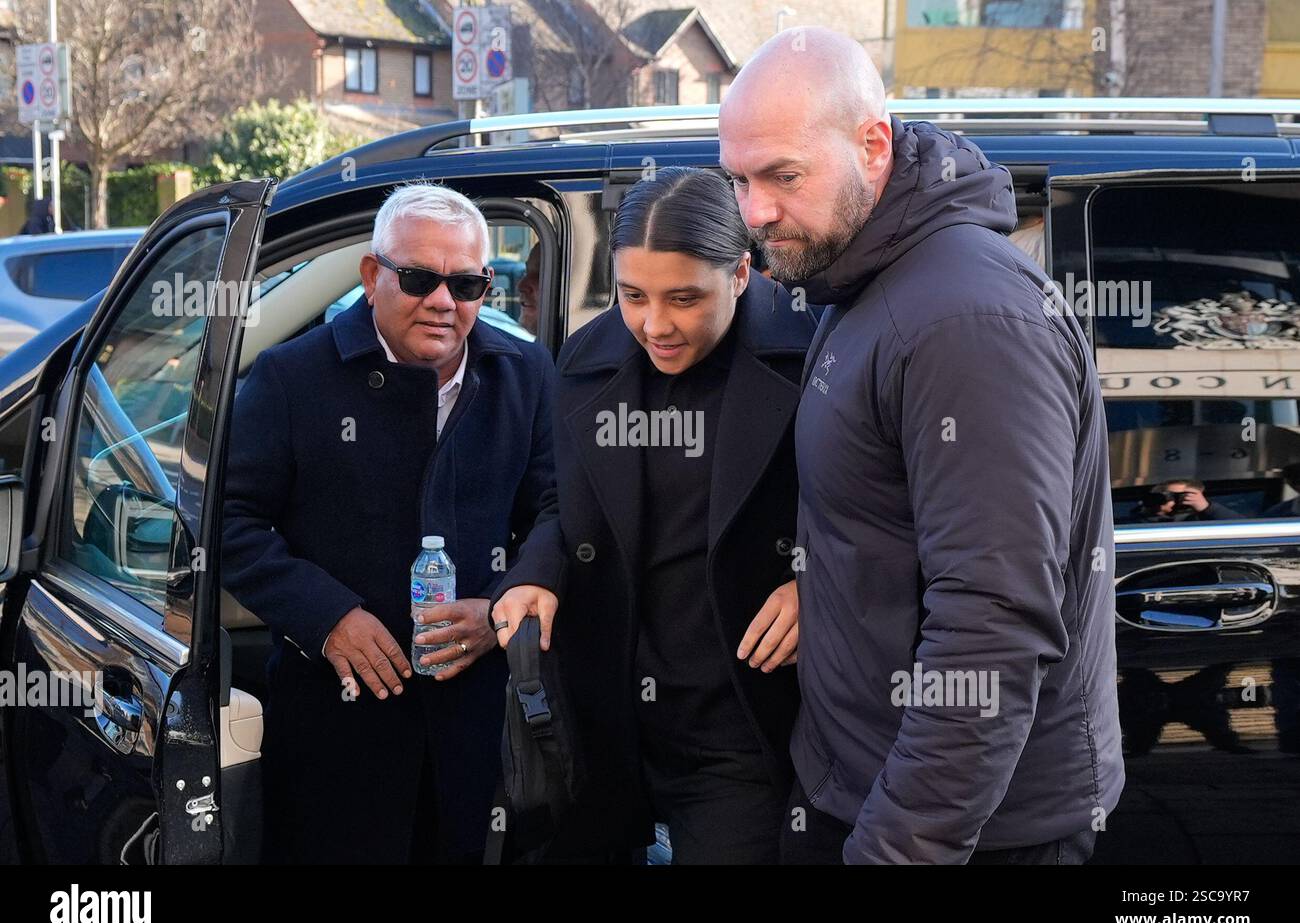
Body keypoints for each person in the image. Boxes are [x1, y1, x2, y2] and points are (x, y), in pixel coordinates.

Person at [718, 27, 1124, 864]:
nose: (753, 211)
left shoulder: (963, 321)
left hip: (967, 835)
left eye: (782, 175)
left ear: (873, 144)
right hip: (868, 789)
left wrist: (898, 849)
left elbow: (990, 627)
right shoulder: (868, 274)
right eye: (739, 180)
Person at [222, 183, 558, 863]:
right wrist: (327, 616)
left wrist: (498, 611)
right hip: (335, 731)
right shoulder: (292, 377)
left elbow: (558, 513)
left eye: (465, 284)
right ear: (373, 276)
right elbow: (227, 521)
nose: (443, 301)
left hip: (477, 729)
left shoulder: (524, 373)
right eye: (419, 278)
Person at [493, 167, 815, 863]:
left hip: (741, 730)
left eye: (683, 298)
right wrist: (537, 571)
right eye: (632, 295)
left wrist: (817, 587)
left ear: (741, 273)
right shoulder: (587, 357)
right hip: (604, 718)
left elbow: (880, 513)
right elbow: (564, 502)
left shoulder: (812, 356)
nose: (654, 325)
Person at [1131, 478, 1241, 522]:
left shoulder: (1205, 520)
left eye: (1176, 496)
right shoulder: (1141, 520)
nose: (1169, 499)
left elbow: (1240, 528)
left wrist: (1208, 508)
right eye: (1166, 494)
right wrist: (1147, 511)